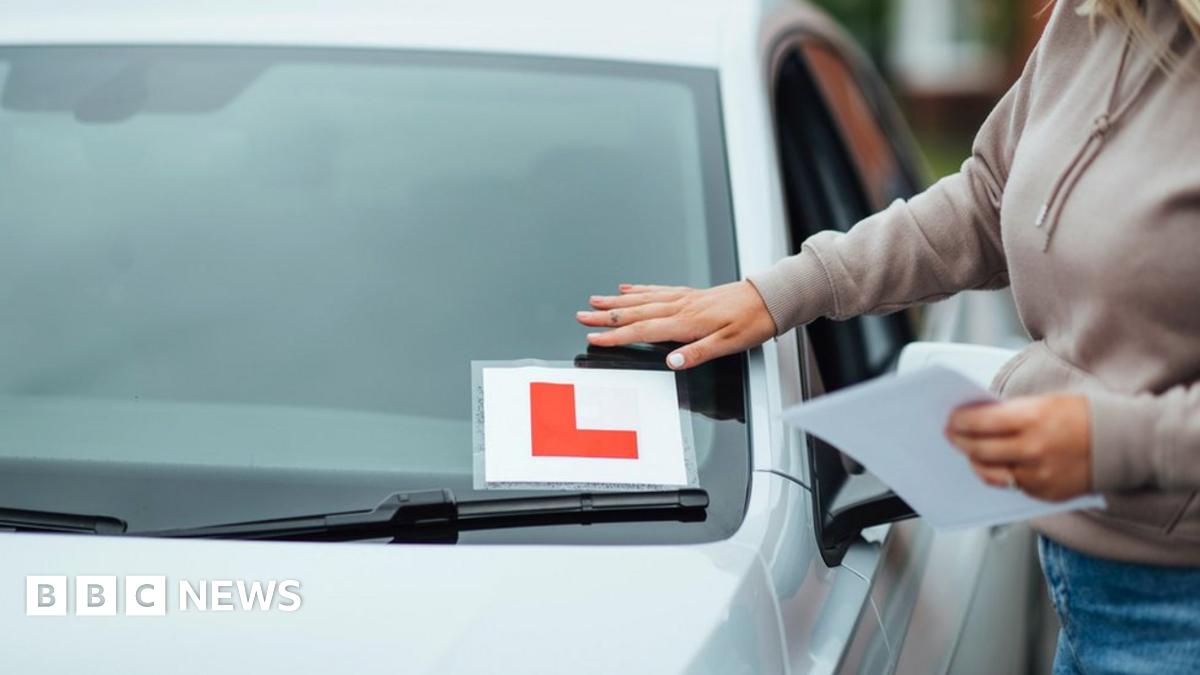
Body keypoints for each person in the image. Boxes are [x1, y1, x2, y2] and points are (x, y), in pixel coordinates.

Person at [576, 0, 1199, 671]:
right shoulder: (1099, 17)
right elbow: (990, 197)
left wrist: (1116, 441)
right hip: (1086, 580)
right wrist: (782, 292)